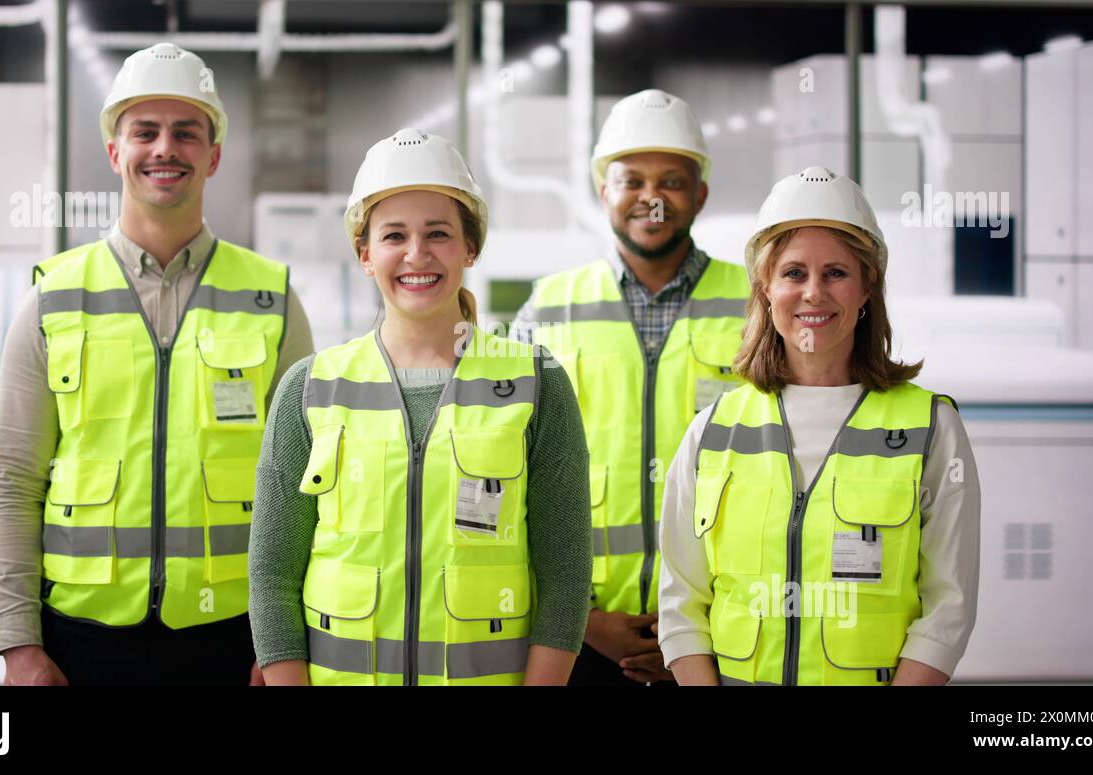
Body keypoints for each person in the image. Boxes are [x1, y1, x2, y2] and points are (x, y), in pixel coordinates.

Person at [0, 42, 314, 685]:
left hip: (229, 639)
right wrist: (18, 644)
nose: (165, 149)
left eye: (186, 133)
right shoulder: (53, 298)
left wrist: (283, 644)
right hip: (80, 641)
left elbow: (306, 491)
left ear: (213, 155)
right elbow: (13, 482)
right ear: (116, 152)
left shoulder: (270, 300)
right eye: (146, 132)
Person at [249, 129, 592, 686]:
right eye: (393, 236)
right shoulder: (310, 389)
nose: (417, 255)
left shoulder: (536, 383)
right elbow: (271, 577)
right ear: (365, 254)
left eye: (439, 234)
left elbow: (566, 576)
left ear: (470, 248)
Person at [657, 166, 980, 685]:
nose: (813, 293)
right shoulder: (711, 431)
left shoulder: (930, 429)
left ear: (866, 286)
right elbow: (681, 603)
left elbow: (948, 609)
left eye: (835, 273)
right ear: (765, 287)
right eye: (793, 273)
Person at [510, 89, 749, 685]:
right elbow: (511, 469)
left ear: (701, 195)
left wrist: (700, 629)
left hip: (725, 631)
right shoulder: (549, 307)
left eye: (672, 180)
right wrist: (584, 621)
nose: (652, 197)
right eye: (632, 180)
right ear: (604, 193)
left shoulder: (757, 302)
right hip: (580, 634)